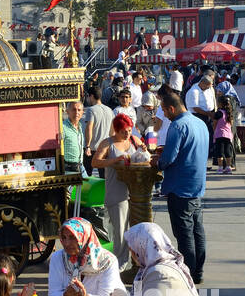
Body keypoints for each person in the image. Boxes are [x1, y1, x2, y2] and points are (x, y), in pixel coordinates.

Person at [152, 89, 209, 284]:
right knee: (197, 230)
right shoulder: (200, 123)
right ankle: (198, 271)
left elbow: (168, 159)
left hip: (179, 186)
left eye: (164, 111)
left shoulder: (177, 126)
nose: (164, 115)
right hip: (196, 183)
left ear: (171, 108)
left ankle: (189, 273)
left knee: (184, 233)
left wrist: (156, 162)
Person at [47, 218, 124, 296]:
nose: (66, 243)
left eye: (72, 237)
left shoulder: (107, 261)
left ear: (85, 237)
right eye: (64, 237)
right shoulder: (58, 258)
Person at [91, 115, 146, 247]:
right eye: (123, 131)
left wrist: (144, 150)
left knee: (137, 229)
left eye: (129, 130)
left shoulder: (134, 139)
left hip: (135, 192)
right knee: (120, 231)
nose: (127, 134)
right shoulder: (108, 143)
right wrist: (115, 160)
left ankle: (136, 262)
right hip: (116, 192)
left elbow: (145, 158)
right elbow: (95, 162)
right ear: (116, 130)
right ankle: (120, 264)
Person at [184, 73, 218, 165]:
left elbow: (213, 100)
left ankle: (209, 157)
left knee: (210, 137)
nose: (208, 88)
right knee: (200, 138)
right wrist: (209, 114)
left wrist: (214, 112)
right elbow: (195, 108)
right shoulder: (194, 91)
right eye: (207, 86)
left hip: (208, 114)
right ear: (202, 83)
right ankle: (200, 159)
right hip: (198, 116)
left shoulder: (209, 88)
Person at [83, 86, 115, 176]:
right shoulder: (109, 110)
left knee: (87, 175)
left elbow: (89, 128)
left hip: (93, 148)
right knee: (103, 176)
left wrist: (87, 146)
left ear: (91, 96)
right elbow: (112, 131)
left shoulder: (91, 110)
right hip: (105, 148)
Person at [61, 100, 85, 175]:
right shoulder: (63, 127)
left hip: (80, 167)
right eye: (74, 110)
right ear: (67, 111)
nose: (77, 112)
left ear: (82, 112)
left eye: (79, 110)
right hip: (68, 169)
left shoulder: (80, 126)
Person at [211, 98, 234, 175]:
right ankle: (228, 167)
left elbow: (214, 124)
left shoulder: (218, 113)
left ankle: (220, 168)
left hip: (219, 134)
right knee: (227, 151)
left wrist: (214, 131)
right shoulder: (229, 113)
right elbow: (231, 125)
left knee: (219, 152)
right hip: (228, 135)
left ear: (221, 104)